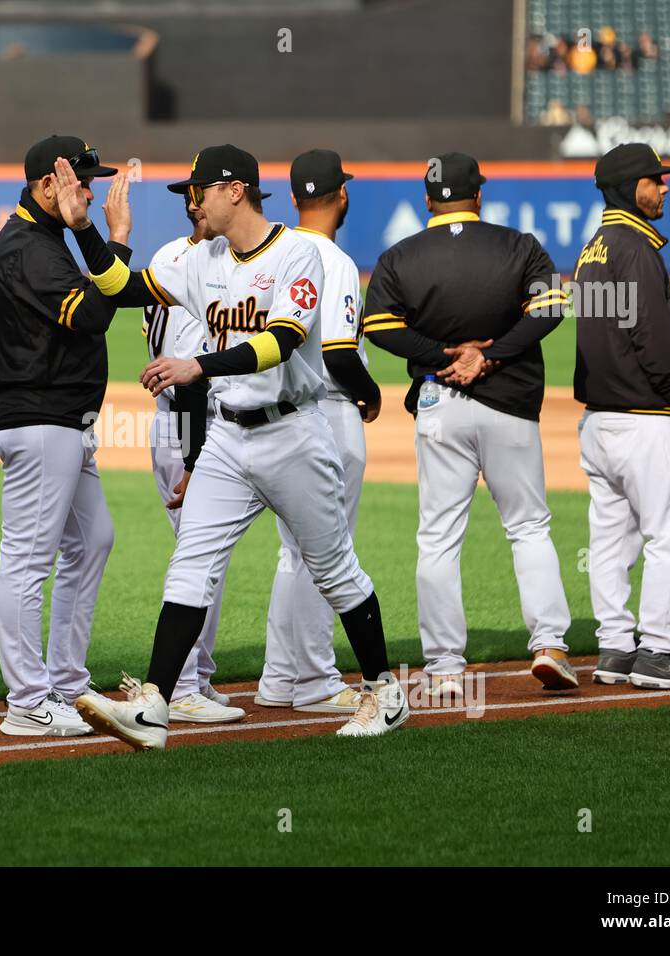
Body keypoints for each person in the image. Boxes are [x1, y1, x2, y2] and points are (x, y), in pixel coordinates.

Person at [67, 144, 409, 749]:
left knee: (332, 568)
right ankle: (154, 704)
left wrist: (198, 364)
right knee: (191, 564)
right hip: (226, 434)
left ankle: (385, 690)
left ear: (234, 190)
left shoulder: (299, 253)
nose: (192, 200)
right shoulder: (204, 260)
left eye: (199, 188)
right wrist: (87, 228)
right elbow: (122, 286)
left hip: (293, 433)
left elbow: (282, 339)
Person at [363, 152, 577, 697]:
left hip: (440, 404)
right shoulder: (518, 245)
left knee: (438, 536)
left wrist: (442, 357)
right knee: (528, 526)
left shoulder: (401, 255)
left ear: (428, 200)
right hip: (510, 404)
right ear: (478, 195)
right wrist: (490, 356)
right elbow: (552, 307)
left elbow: (379, 326)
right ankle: (549, 644)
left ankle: (443, 668)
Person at [0, 136, 130, 737]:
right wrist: (113, 240)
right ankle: (27, 701)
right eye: (81, 182)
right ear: (49, 185)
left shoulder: (44, 240)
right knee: (26, 559)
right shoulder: (29, 249)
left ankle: (66, 681)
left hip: (63, 420)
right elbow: (96, 313)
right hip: (39, 422)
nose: (90, 193)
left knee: (93, 539)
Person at [572, 143, 670, 692]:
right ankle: (658, 651)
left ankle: (615, 648)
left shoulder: (594, 248)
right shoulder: (635, 248)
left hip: (600, 421)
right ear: (632, 185)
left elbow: (598, 336)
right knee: (669, 535)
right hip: (644, 417)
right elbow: (653, 343)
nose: (665, 187)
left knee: (612, 539)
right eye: (657, 179)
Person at [257, 149, 385, 713]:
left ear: (292, 198)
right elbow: (338, 351)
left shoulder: (275, 249)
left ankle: (281, 678)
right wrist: (372, 393)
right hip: (328, 410)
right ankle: (313, 680)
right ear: (342, 194)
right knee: (327, 553)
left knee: (295, 553)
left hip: (276, 413)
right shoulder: (335, 261)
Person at [142, 192, 243, 724]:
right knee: (197, 560)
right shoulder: (199, 268)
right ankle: (180, 686)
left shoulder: (165, 258)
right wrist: (194, 456)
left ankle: (196, 678)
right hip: (188, 425)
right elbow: (187, 375)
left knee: (207, 558)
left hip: (183, 424)